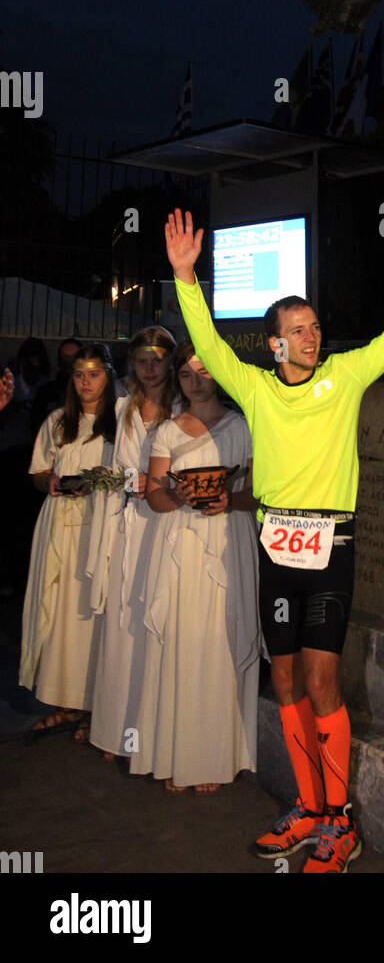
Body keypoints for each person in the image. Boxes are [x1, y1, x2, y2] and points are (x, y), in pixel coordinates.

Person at [164, 205, 384, 873]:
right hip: (274, 549)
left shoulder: (346, 377)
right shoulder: (255, 388)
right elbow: (213, 347)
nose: (312, 336)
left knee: (322, 677)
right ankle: (309, 808)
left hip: (329, 547)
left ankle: (341, 820)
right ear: (275, 343)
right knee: (284, 680)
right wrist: (186, 279)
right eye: (298, 330)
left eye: (314, 327)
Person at [128, 340, 259, 793]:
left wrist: (230, 499)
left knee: (218, 644)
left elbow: (257, 493)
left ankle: (214, 758)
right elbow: (154, 495)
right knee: (181, 644)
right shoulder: (166, 431)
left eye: (203, 372)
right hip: (180, 545)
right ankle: (175, 754)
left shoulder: (242, 425)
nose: (195, 381)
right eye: (186, 374)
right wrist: (177, 497)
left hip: (226, 539)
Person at [87, 327, 180, 761]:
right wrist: (134, 481)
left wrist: (161, 484)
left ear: (170, 363)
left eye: (158, 358)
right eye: (142, 358)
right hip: (128, 524)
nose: (149, 366)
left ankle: (154, 736)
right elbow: (109, 473)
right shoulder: (123, 408)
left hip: (167, 525)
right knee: (124, 626)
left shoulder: (183, 409)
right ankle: (119, 732)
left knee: (156, 626)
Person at [20, 345, 117, 739]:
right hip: (60, 524)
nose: (86, 383)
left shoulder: (120, 421)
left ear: (108, 377)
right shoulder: (58, 422)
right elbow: (38, 472)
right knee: (60, 614)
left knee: (95, 614)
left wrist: (102, 481)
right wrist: (52, 482)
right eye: (79, 375)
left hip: (100, 525)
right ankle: (67, 702)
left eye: (93, 374)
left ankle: (98, 704)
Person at [30, 338, 83, 437]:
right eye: (65, 358)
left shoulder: (88, 392)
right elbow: (35, 425)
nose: (69, 362)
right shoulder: (45, 391)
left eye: (73, 358)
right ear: (59, 360)